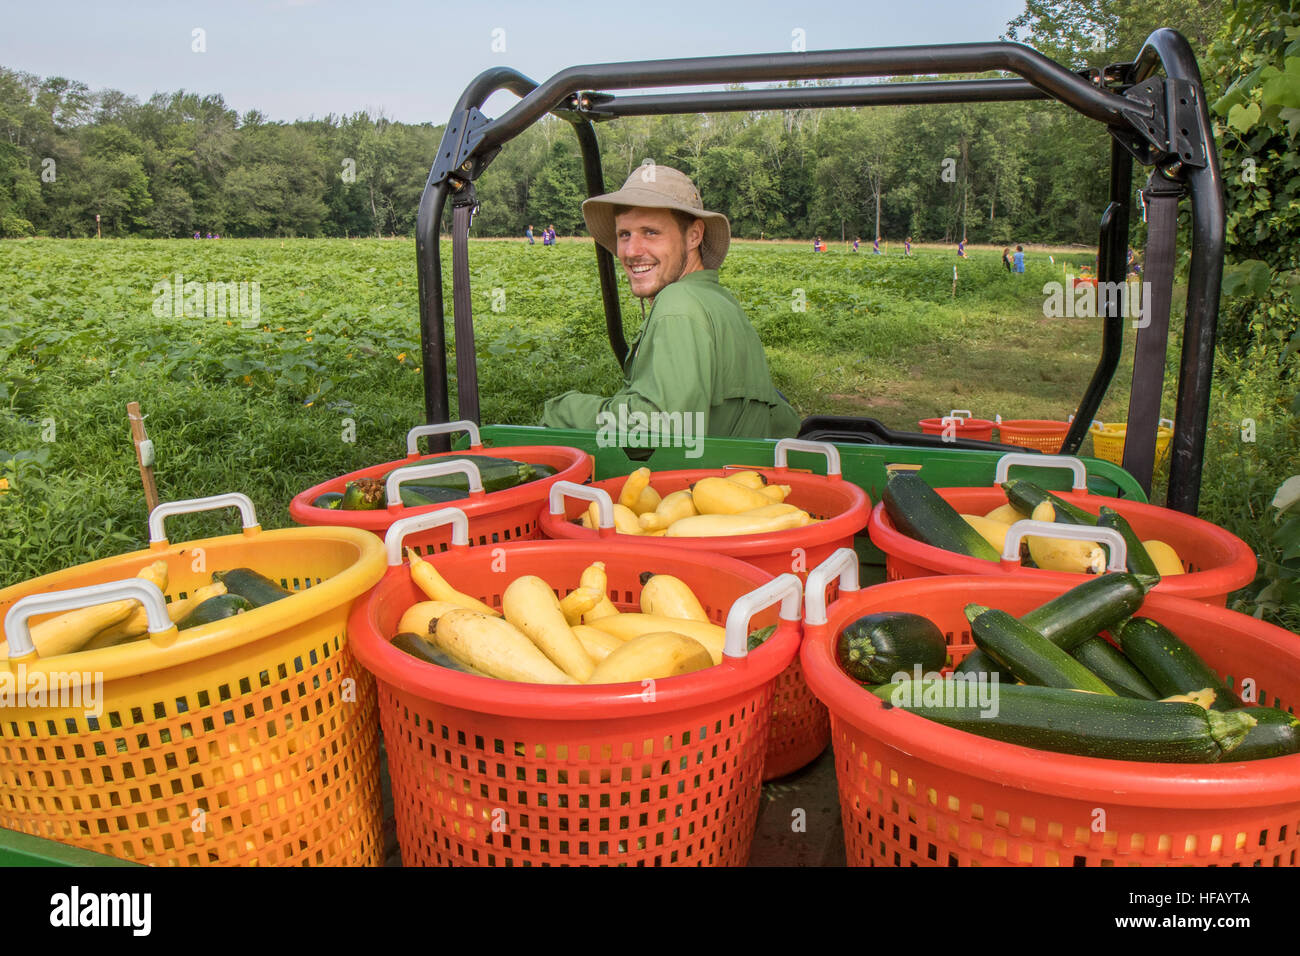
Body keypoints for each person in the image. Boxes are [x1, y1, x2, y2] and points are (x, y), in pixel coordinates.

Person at [540, 165, 801, 440]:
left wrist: (565, 410)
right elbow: (781, 417)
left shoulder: (679, 304)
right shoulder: (718, 300)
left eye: (651, 232)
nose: (631, 251)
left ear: (693, 236)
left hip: (700, 478)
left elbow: (661, 425)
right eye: (624, 234)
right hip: (734, 474)